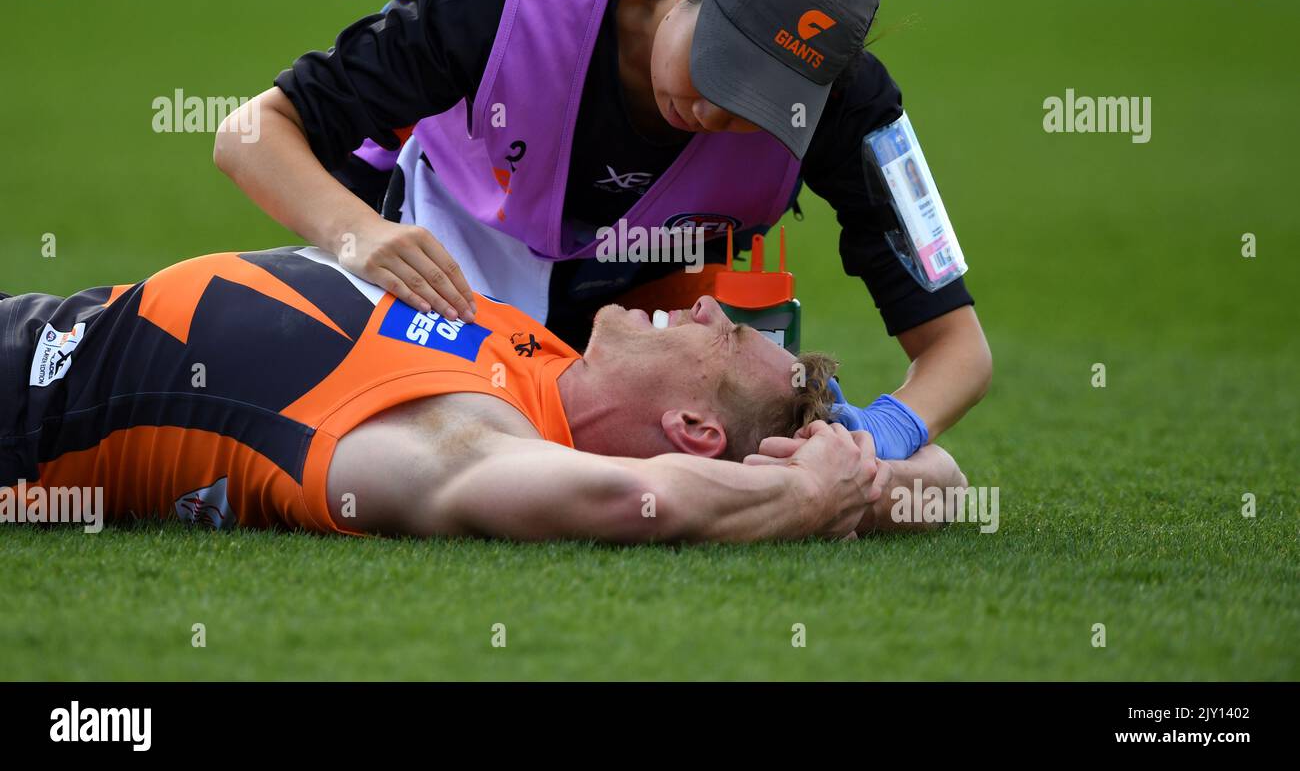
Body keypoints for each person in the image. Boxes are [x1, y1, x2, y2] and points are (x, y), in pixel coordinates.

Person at [213, 0, 991, 465]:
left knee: (919, 473)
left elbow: (959, 348)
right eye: (718, 68)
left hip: (627, 339)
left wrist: (887, 430)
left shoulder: (851, 108)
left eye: (760, 101)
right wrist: (357, 236)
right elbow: (249, 134)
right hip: (431, 270)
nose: (718, 113)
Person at [0, 247, 965, 540]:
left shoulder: (467, 437)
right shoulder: (538, 354)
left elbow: (636, 500)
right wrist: (858, 463)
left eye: (730, 337)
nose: (708, 304)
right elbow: (943, 479)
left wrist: (809, 494)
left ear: (693, 429)